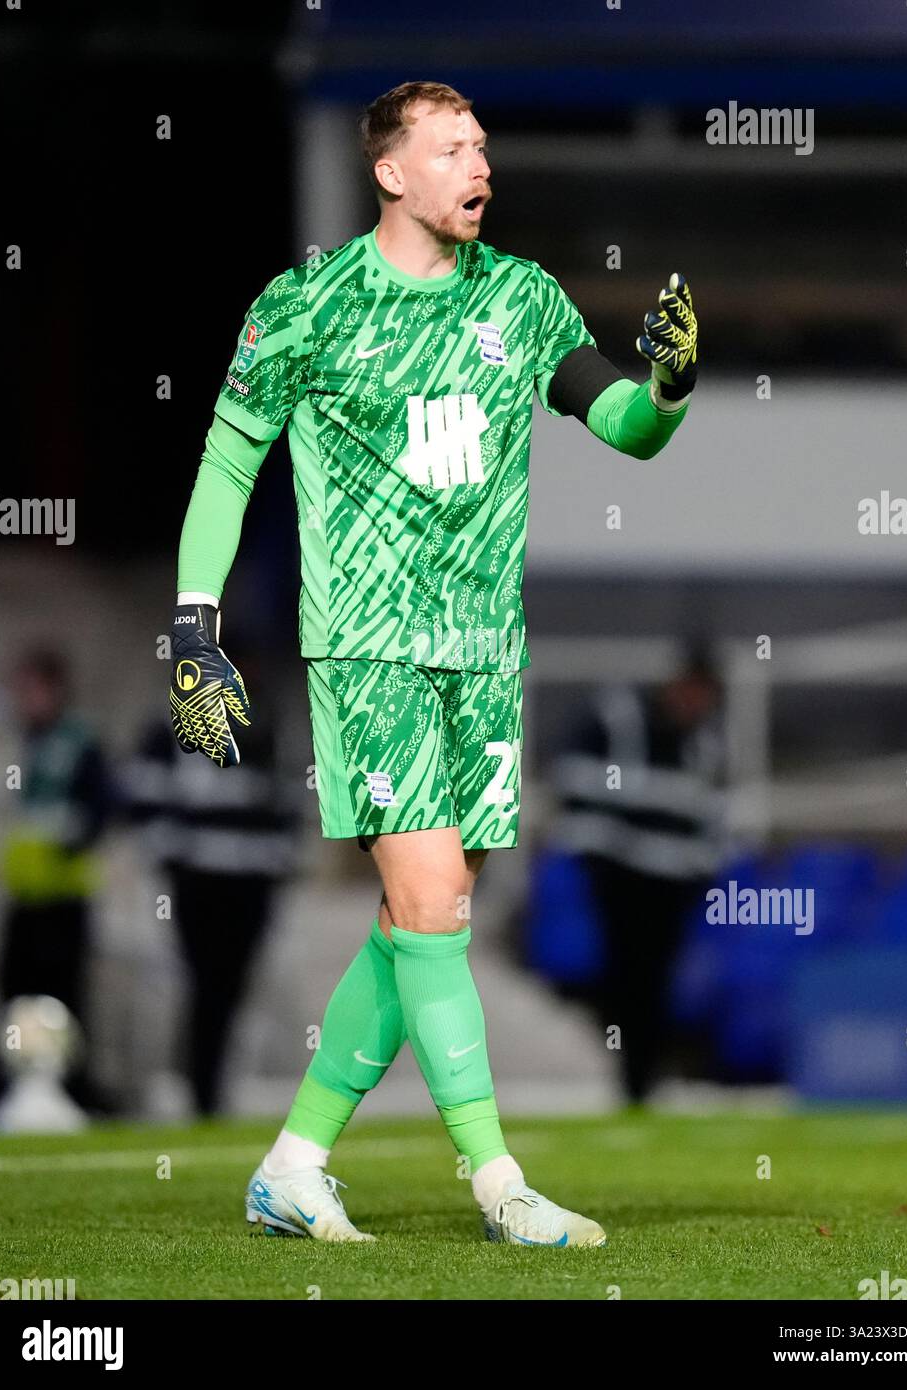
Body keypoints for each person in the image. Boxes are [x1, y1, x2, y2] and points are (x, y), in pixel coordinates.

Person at [168, 80, 697, 1246]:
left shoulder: (521, 297)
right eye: (453, 147)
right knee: (428, 900)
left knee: (426, 913)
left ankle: (294, 1164)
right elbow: (225, 461)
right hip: (367, 645)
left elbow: (622, 429)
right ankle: (500, 1186)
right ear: (390, 171)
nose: (480, 165)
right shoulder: (306, 305)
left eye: (485, 146)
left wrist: (664, 391)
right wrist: (193, 626)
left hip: (481, 651)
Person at [126, 654, 300, 1116]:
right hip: (197, 880)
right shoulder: (178, 719)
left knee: (230, 986)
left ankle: (209, 1088)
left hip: (251, 884)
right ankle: (195, 1087)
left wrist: (279, 861)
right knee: (200, 983)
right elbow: (143, 792)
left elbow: (289, 799)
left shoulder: (267, 721)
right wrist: (167, 854)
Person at [552, 651, 726, 1104]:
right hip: (620, 878)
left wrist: (699, 873)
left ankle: (642, 1081)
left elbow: (708, 818)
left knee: (656, 982)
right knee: (622, 975)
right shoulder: (619, 719)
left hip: (672, 888)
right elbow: (572, 780)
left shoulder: (703, 744)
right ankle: (628, 1073)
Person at [0, 647, 115, 1114]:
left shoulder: (77, 741)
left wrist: (73, 844)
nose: (22, 698)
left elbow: (103, 804)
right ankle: (16, 1086)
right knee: (12, 990)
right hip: (25, 895)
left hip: (63, 896)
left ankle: (67, 1093)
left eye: (30, 687)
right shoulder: (31, 740)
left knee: (63, 997)